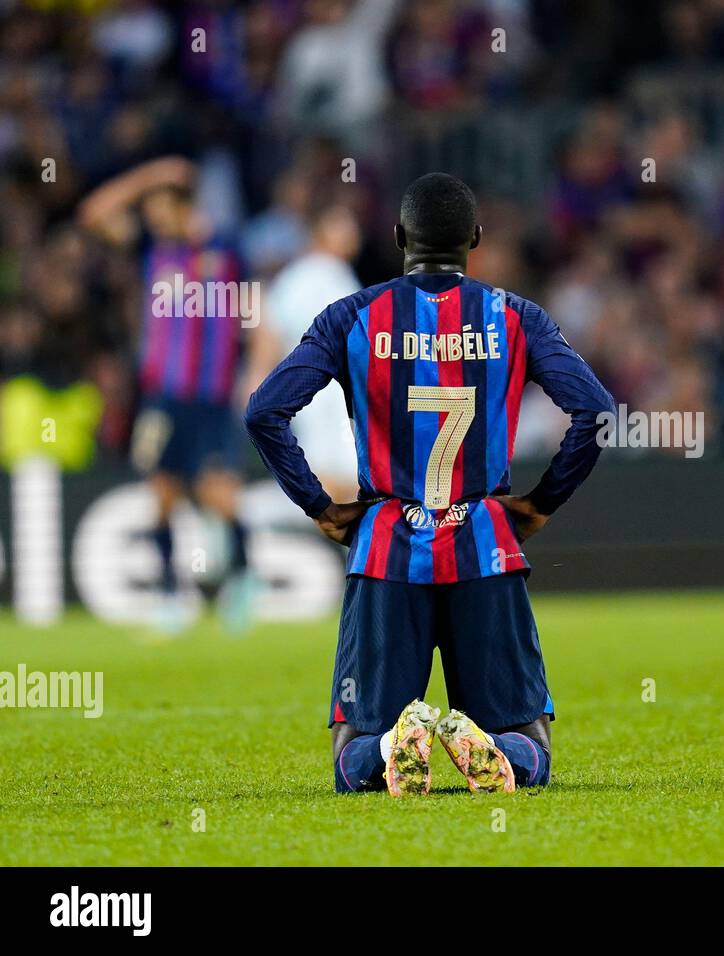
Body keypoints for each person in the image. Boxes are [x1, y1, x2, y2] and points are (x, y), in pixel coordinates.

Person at [245, 172, 614, 794]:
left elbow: (264, 411)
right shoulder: (514, 316)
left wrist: (319, 505)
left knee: (352, 753)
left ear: (397, 237)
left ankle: (390, 745)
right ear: (474, 237)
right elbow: (596, 410)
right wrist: (543, 501)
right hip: (485, 545)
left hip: (388, 544)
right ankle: (503, 752)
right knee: (531, 741)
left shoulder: (352, 318)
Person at [79, 156, 260, 633]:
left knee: (219, 494)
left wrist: (255, 371)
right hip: (162, 396)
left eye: (160, 208)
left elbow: (254, 314)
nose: (152, 218)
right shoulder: (150, 251)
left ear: (184, 207)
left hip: (213, 396)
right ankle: (167, 592)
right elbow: (93, 213)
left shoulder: (227, 250)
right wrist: (150, 176)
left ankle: (242, 581)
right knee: (161, 493)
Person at [256, 204, 364, 502]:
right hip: (312, 392)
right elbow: (270, 331)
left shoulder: (340, 276)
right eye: (341, 224)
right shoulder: (301, 276)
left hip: (340, 391)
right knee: (323, 475)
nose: (352, 233)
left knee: (347, 477)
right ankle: (257, 509)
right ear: (321, 230)